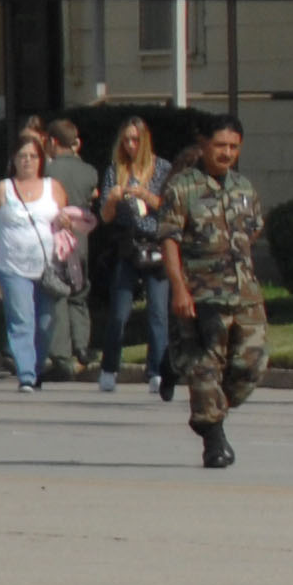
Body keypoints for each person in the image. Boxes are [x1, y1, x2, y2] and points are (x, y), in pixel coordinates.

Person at [159, 117, 269, 467]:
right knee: (206, 365)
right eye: (220, 145)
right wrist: (179, 287)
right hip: (200, 295)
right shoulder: (182, 188)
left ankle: (178, 364)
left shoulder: (244, 188)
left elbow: (251, 232)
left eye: (234, 147)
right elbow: (169, 239)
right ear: (203, 144)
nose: (227, 153)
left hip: (244, 291)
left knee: (250, 364)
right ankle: (213, 438)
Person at [90, 116, 168, 398]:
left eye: (135, 140)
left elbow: (169, 208)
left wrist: (145, 195)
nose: (130, 145)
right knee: (119, 312)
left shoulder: (162, 168)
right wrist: (112, 198)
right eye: (126, 140)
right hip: (129, 245)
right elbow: (105, 216)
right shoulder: (115, 170)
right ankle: (110, 368)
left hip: (156, 245)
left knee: (158, 312)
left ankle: (157, 370)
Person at [0, 125, 67, 393]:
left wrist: (67, 222)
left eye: (32, 156)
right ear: (14, 160)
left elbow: (65, 223)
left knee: (44, 324)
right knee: (22, 320)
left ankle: (37, 364)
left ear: (41, 160)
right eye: (22, 156)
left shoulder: (53, 188)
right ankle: (27, 375)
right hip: (12, 265)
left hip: (47, 267)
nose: (27, 160)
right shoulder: (3, 189)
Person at [39, 116, 96, 374]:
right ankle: (82, 346)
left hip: (57, 234)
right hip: (81, 236)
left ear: (52, 141)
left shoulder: (49, 171)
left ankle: (62, 354)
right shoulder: (89, 171)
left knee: (58, 292)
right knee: (80, 291)